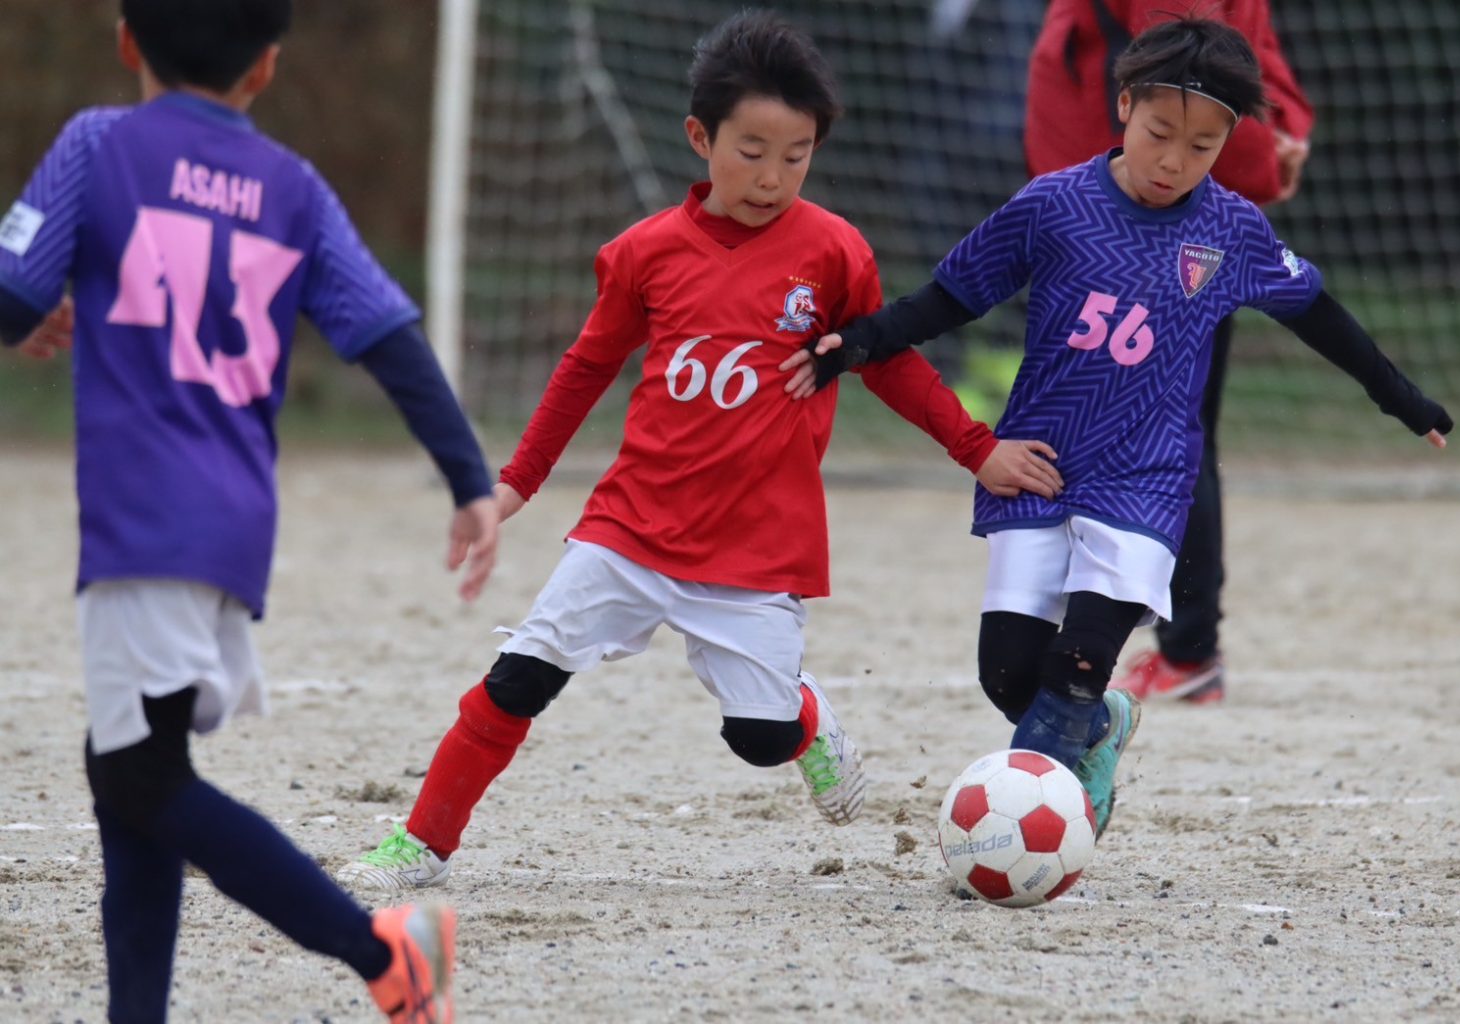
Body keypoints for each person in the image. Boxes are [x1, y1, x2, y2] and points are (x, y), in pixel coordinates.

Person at [336, 8, 1065, 892]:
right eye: (750, 150)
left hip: (756, 547)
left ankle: (802, 716)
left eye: (795, 155)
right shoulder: (644, 254)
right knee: (520, 676)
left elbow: (890, 366)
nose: (771, 175)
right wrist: (515, 483)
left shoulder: (834, 253)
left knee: (756, 740)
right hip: (630, 526)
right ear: (699, 137)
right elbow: (585, 368)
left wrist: (975, 450)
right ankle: (422, 844)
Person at [781, 15, 1452, 837]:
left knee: (1078, 664)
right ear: (1124, 106)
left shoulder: (1230, 229)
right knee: (1007, 673)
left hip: (1146, 477)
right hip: (1044, 461)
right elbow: (951, 298)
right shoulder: (1053, 206)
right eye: (1160, 133)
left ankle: (1022, 832)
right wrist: (865, 340)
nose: (1174, 160)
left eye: (1202, 146)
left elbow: (1317, 314)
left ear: (1228, 142)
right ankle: (1105, 731)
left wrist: (1403, 398)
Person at [0, 1, 499, 1020]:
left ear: (128, 39)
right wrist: (467, 476)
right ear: (265, 68)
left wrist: (40, 307)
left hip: (142, 522)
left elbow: (14, 289)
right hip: (233, 521)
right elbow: (389, 336)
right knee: (131, 778)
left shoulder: (99, 144)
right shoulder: (294, 187)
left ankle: (384, 951)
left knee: (141, 783)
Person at [1025, 0, 1315, 704]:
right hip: (1114, 207)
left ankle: (1186, 652)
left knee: (1161, 432)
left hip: (1138, 220)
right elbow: (1251, 45)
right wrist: (1286, 127)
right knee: (1129, 422)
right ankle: (1143, 633)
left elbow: (1197, 85)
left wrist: (1267, 150)